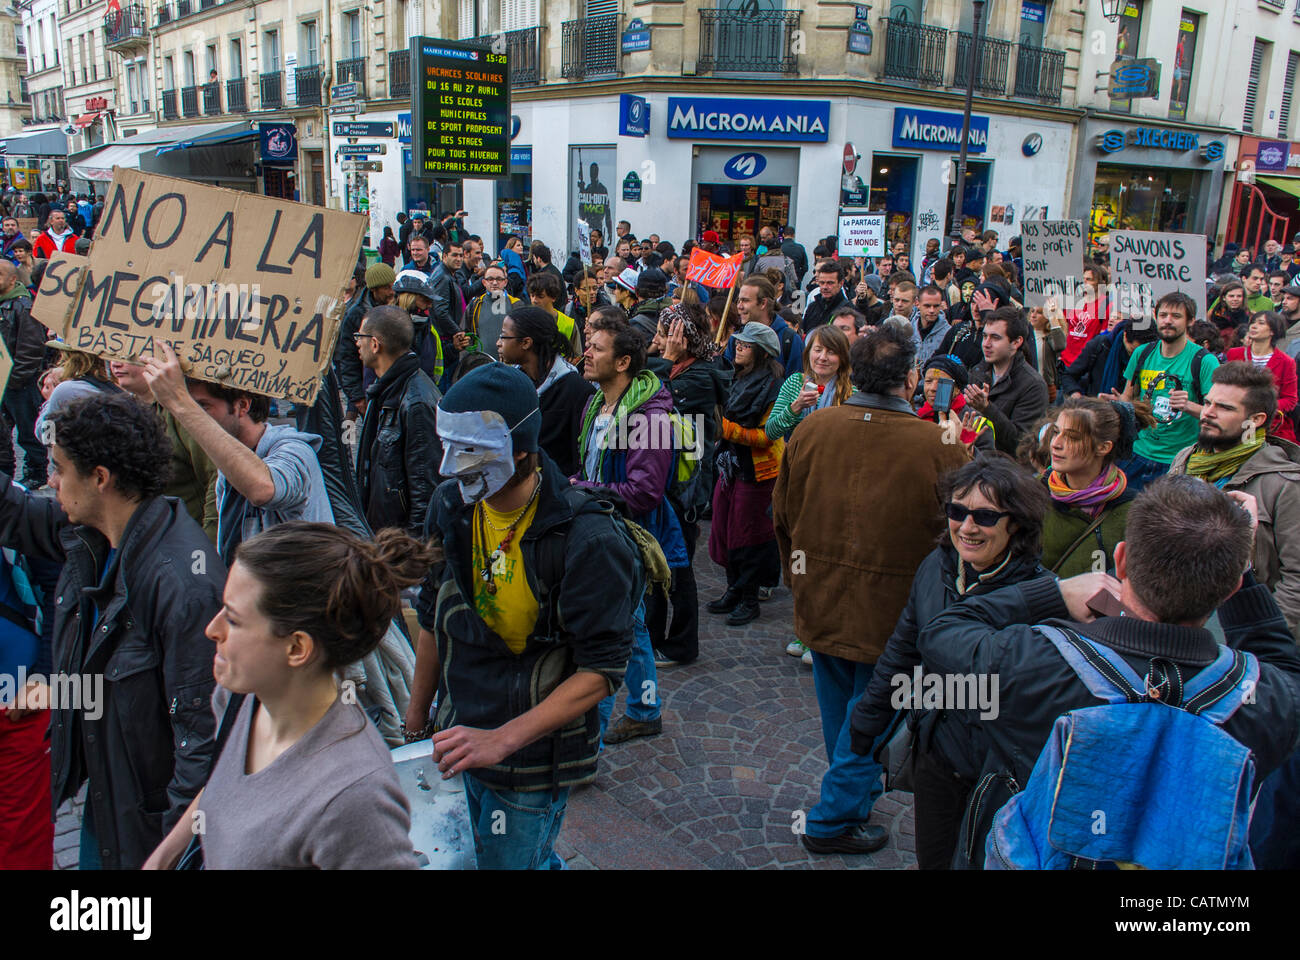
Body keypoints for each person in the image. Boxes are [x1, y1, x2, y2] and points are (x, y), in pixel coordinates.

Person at [916, 477, 1300, 867]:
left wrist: (1056, 592)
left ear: (1120, 561)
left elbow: (943, 634)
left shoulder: (1036, 661)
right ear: (1232, 589)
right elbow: (1287, 670)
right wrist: (1244, 568)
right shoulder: (1263, 699)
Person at [407, 363, 642, 869]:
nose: (449, 466)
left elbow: (602, 671)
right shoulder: (452, 505)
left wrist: (501, 741)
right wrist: (415, 721)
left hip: (533, 762)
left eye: (467, 449)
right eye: (446, 445)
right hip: (459, 736)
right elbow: (432, 615)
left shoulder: (589, 541)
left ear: (520, 450)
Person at [0, 393, 225, 868]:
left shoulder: (181, 583)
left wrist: (174, 854)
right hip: (112, 800)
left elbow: (199, 739)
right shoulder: (91, 533)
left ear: (100, 478)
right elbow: (13, 512)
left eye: (60, 468)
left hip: (151, 830)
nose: (50, 481)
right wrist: (63, 689)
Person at [775, 324, 970, 856]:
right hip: (893, 612)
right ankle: (832, 817)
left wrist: (798, 578)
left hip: (826, 597)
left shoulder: (813, 429)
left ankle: (850, 796)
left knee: (847, 708)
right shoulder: (938, 444)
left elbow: (784, 516)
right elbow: (959, 532)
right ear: (910, 379)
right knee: (870, 712)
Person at [144, 522, 426, 870]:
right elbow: (231, 787)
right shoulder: (239, 701)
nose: (211, 630)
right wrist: (163, 857)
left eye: (233, 620)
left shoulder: (353, 796)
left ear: (296, 647)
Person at [849, 457, 1047, 868]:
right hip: (938, 756)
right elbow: (904, 648)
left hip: (1000, 769)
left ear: (1017, 524)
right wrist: (868, 719)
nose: (967, 527)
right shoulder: (935, 567)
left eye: (985, 516)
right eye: (957, 511)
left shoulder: (1038, 596)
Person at [573, 313, 688, 741]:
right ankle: (644, 708)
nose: (586, 353)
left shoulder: (652, 418)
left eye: (597, 348)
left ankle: (588, 740)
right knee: (633, 624)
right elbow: (590, 465)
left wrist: (580, 489)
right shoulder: (595, 403)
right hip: (603, 528)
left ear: (622, 363)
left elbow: (644, 493)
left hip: (630, 536)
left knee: (607, 629)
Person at [142, 344, 333, 565]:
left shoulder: (295, 450)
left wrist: (180, 403)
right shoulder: (228, 460)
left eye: (203, 407)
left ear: (242, 405)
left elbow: (264, 489)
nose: (195, 420)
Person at [1169, 361, 1300, 636]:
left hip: (1240, 638)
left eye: (1225, 408)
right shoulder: (1185, 460)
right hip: (1179, 627)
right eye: (1207, 403)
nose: (1207, 413)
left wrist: (1263, 642)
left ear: (1256, 420)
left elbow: (1296, 582)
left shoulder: (1285, 486)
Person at [645, 302, 728, 665]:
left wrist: (664, 358)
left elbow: (658, 403)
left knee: (678, 568)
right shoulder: (683, 369)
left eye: (664, 334)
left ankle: (681, 644)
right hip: (673, 486)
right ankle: (657, 634)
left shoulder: (695, 377)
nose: (657, 340)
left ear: (682, 340)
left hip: (684, 490)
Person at [708, 322, 786, 626]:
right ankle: (733, 589)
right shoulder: (735, 376)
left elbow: (767, 436)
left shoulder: (773, 386)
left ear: (762, 352)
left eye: (747, 345)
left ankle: (749, 598)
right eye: (738, 342)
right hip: (731, 466)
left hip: (760, 471)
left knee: (748, 537)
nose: (739, 347)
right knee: (725, 530)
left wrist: (724, 428)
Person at [1111, 291, 1219, 493]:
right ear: (1155, 316)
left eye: (1176, 316)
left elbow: (1217, 415)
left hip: (1179, 461)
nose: (1168, 321)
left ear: (1190, 321)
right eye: (1163, 315)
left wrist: (1188, 406)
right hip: (1137, 454)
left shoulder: (1204, 361)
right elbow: (1128, 395)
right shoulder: (1142, 353)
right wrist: (1120, 407)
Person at [354, 306, 443, 537]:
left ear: (375, 344)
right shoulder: (386, 389)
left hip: (399, 547)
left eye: (359, 337)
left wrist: (410, 555)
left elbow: (425, 491)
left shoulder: (416, 402)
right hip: (383, 535)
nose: (356, 343)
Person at [1041, 397, 1153, 576]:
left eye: (1072, 437)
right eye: (1056, 432)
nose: (1056, 444)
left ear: (1103, 447)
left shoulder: (1133, 512)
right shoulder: (1035, 492)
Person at [499, 304, 594, 477]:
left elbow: (579, 456)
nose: (498, 343)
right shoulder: (512, 383)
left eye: (504, 337)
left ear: (526, 343)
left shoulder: (576, 390)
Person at [963, 306, 1049, 456]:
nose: (986, 344)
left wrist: (987, 408)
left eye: (995, 338)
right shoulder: (978, 372)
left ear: (1016, 342)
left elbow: (1021, 444)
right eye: (984, 336)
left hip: (1004, 470)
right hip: (973, 459)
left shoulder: (1033, 385)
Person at [0, 261, 48, 487]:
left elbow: (31, 350)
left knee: (28, 432)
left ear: (12, 279)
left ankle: (36, 473)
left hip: (20, 384)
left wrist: (13, 380)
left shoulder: (24, 307)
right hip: (4, 383)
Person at [1224, 311, 1297, 443]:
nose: (1254, 326)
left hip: (1270, 426)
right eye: (1253, 322)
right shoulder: (1234, 354)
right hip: (1236, 421)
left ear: (1273, 331)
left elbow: (1290, 399)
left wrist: (1264, 408)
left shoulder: (1286, 362)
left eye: (1261, 323)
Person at [336, 262, 396, 417]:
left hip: (392, 387)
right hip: (368, 387)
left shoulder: (396, 306)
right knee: (357, 427)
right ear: (374, 289)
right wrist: (356, 396)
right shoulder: (356, 315)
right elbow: (347, 357)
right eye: (386, 288)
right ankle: (347, 440)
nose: (392, 292)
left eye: (392, 286)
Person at [729, 276, 803, 378]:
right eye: (738, 301)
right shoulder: (735, 338)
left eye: (745, 301)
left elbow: (795, 386)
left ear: (763, 303)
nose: (739, 306)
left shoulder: (790, 340)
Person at [464, 262, 517, 358]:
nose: (495, 283)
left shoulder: (516, 305)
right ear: (484, 282)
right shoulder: (475, 305)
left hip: (509, 364)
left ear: (505, 282)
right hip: (481, 363)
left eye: (499, 279)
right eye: (490, 279)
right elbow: (466, 336)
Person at [526, 270, 582, 358]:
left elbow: (577, 357)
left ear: (553, 297)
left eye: (540, 296)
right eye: (532, 295)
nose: (534, 300)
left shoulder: (569, 324)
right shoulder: (523, 321)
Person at [1029, 301, 1068, 401]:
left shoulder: (1051, 337)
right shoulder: (1025, 334)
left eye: (1039, 312)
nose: (1033, 315)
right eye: (1032, 311)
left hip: (1046, 390)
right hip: (1026, 388)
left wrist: (1052, 317)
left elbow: (1060, 345)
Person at [803, 260, 851, 330]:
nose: (825, 287)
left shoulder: (848, 310)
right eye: (822, 283)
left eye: (830, 283)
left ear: (841, 283)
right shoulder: (812, 307)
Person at [1208, 279, 1250, 348]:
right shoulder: (1214, 314)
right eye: (1231, 296)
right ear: (1224, 297)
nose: (1235, 299)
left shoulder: (1248, 315)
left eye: (1239, 296)